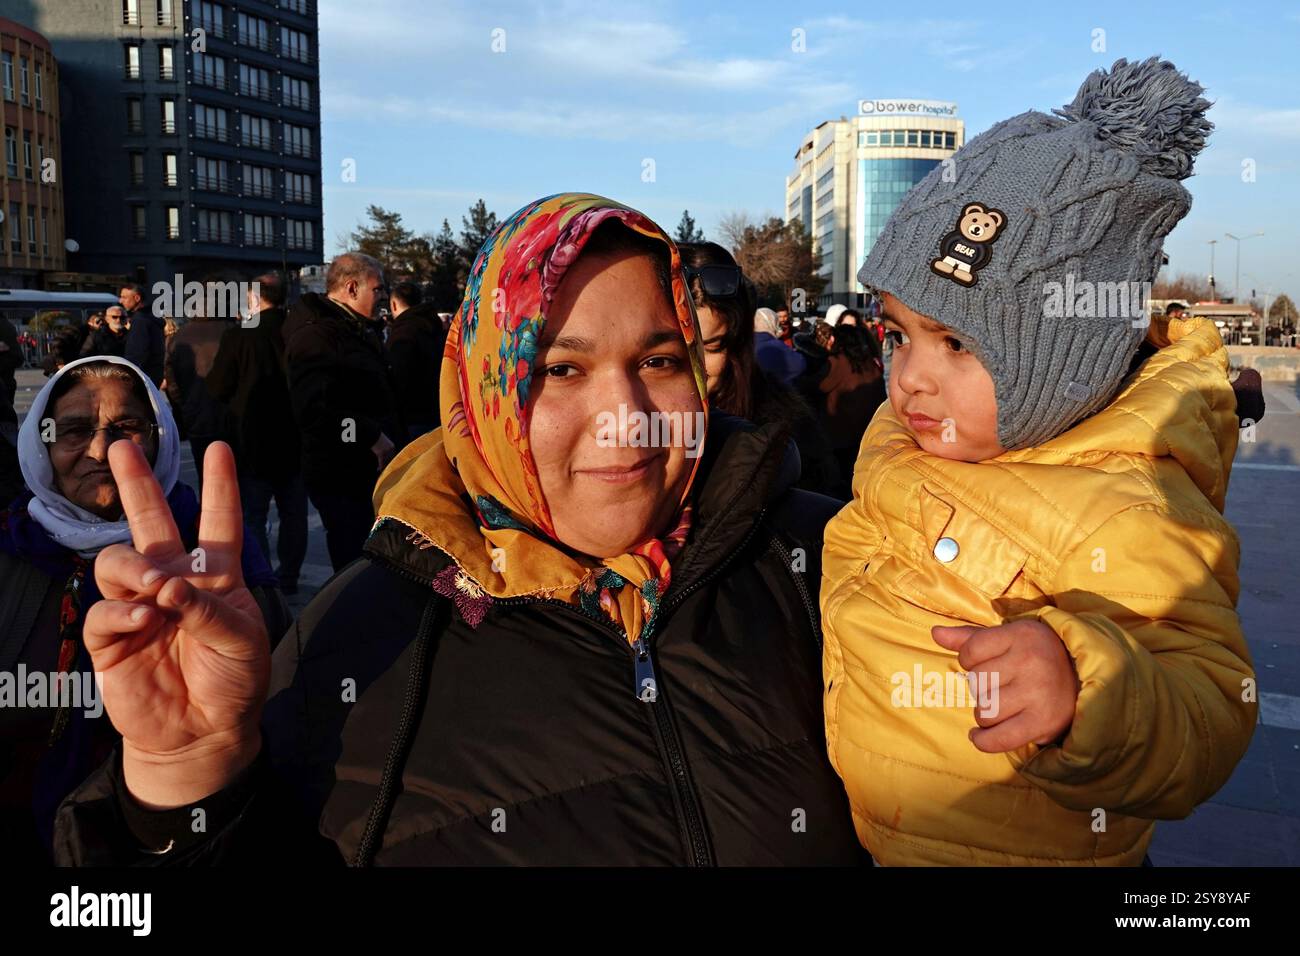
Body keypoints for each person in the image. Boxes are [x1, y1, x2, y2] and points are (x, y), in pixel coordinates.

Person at [54, 193, 862, 866]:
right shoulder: (358, 639)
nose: (626, 421)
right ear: (482, 385)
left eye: (658, 361)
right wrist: (183, 784)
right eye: (559, 369)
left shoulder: (836, 565)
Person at [821, 58, 1257, 866]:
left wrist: (1086, 693)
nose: (912, 375)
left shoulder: (1124, 503)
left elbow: (1213, 705)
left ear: (1073, 359)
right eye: (899, 334)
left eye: (958, 343)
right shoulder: (899, 442)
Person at [0, 356, 286, 865]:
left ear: (160, 440)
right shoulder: (9, 553)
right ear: (40, 448)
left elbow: (288, 730)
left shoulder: (219, 561)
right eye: (73, 430)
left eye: (127, 428)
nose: (99, 450)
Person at [678, 242, 840, 498]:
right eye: (671, 349)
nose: (691, 368)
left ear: (739, 343)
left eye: (711, 347)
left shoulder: (786, 434)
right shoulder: (624, 424)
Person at [283, 252, 402, 571]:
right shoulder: (318, 335)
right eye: (377, 290)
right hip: (342, 475)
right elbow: (313, 411)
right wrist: (369, 434)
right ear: (352, 288)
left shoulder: (353, 328)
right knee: (355, 563)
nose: (383, 297)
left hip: (361, 472)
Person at [206, 273, 307, 596]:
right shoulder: (298, 332)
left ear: (255, 299)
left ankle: (263, 577)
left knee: (254, 512)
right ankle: (289, 574)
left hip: (253, 437)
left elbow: (218, 386)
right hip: (295, 436)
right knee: (294, 513)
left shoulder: (240, 336)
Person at [164, 279, 238, 482]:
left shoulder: (179, 338)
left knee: (206, 476)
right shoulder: (235, 331)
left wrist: (183, 409)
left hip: (196, 415)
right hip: (233, 417)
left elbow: (172, 383)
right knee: (236, 477)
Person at [386, 279, 446, 442]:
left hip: (412, 418)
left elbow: (398, 379)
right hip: (439, 411)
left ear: (394, 305)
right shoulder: (435, 327)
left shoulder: (401, 334)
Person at [122, 283, 166, 386]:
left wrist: (128, 375)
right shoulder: (151, 317)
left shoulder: (141, 320)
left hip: (143, 377)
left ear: (137, 298)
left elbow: (136, 352)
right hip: (153, 374)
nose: (121, 300)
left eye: (124, 297)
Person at [754, 307, 805, 387]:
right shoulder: (775, 346)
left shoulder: (745, 344)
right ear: (772, 322)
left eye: (785, 316)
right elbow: (800, 364)